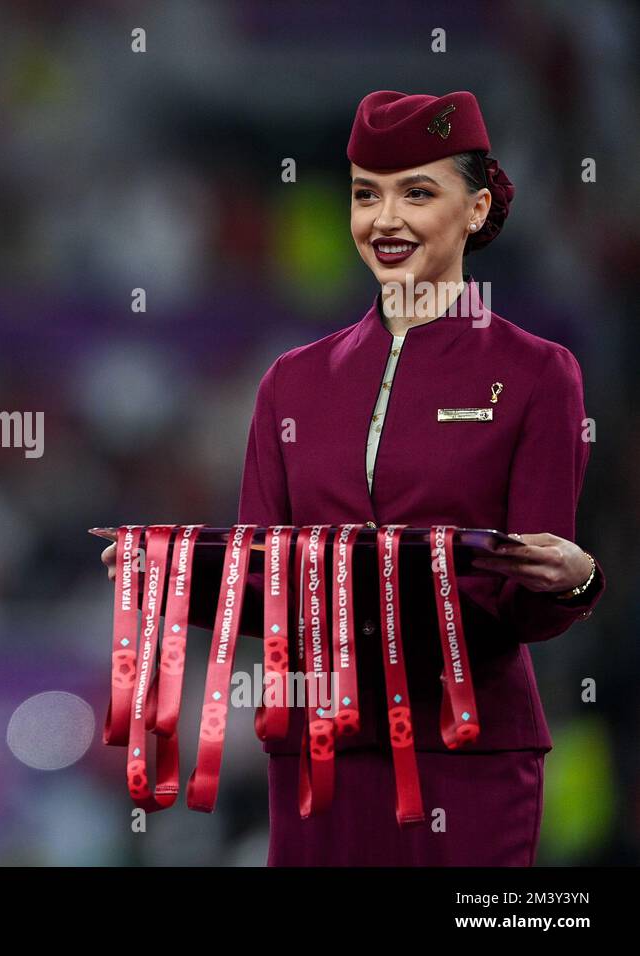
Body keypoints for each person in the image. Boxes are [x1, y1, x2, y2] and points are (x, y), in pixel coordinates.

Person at [101, 90, 603, 865]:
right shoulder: (290, 382)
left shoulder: (537, 373)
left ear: (476, 210)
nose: (386, 219)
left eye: (418, 193)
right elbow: (265, 587)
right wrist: (171, 577)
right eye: (367, 194)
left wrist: (574, 584)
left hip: (464, 751)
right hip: (317, 754)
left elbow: (526, 593)